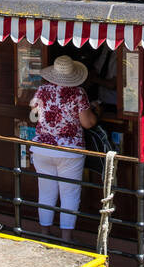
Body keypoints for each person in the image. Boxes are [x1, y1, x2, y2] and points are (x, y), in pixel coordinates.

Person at [26, 55, 96, 242]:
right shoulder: (78, 93)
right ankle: (66, 237)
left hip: (42, 148)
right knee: (69, 193)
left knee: (46, 191)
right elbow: (87, 123)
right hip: (69, 151)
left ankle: (45, 234)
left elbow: (33, 114)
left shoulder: (41, 90)